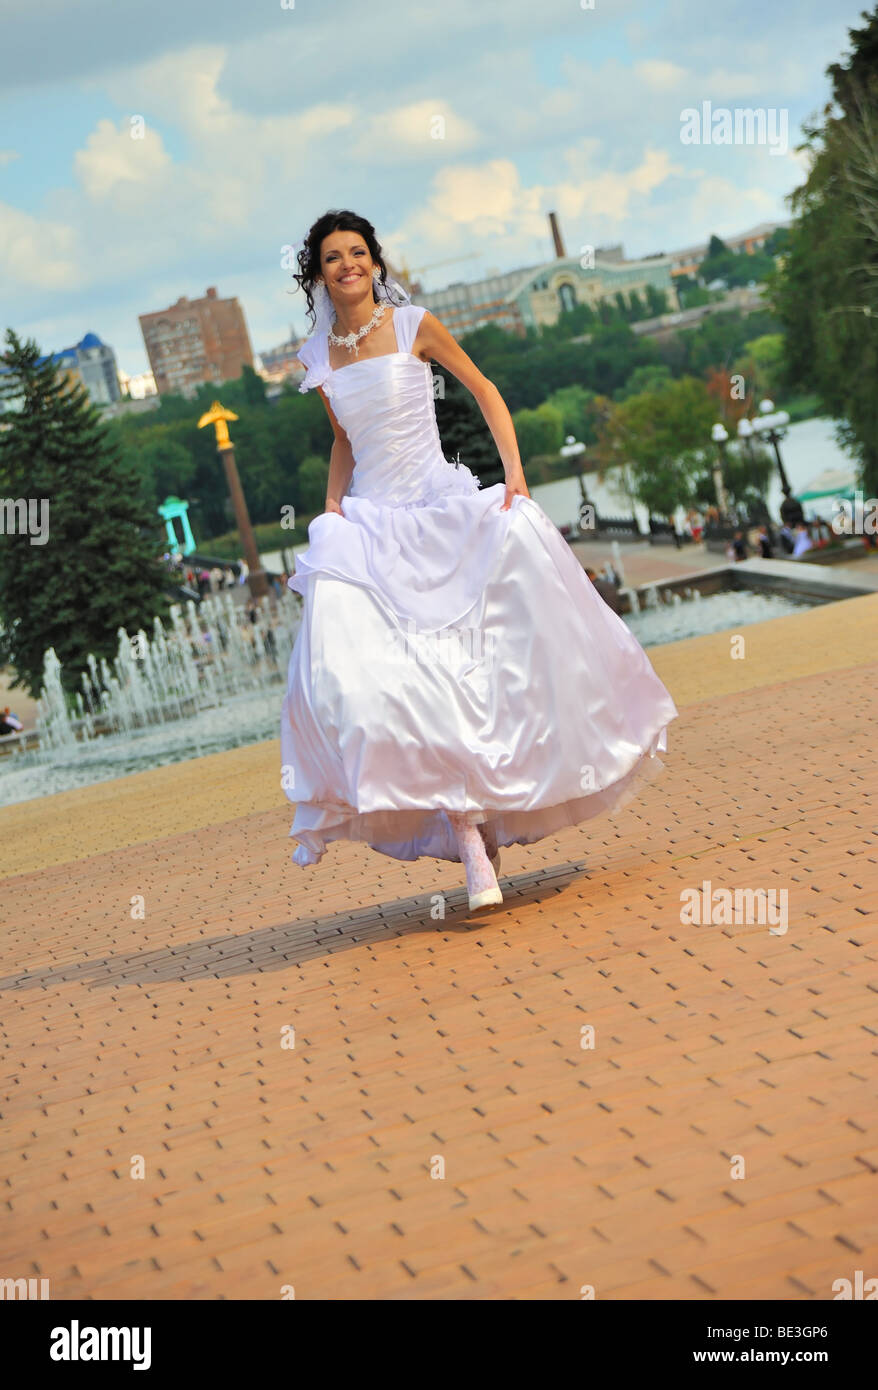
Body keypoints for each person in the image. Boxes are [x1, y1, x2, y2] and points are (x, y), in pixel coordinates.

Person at [280, 210, 678, 913]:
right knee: (374, 687)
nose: (349, 265)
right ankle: (463, 828)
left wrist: (516, 475)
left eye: (359, 253)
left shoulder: (414, 325)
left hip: (439, 506)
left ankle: (478, 821)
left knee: (473, 670)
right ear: (318, 272)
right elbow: (343, 439)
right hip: (371, 526)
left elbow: (485, 390)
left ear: (375, 263)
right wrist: (332, 508)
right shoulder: (317, 356)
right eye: (334, 257)